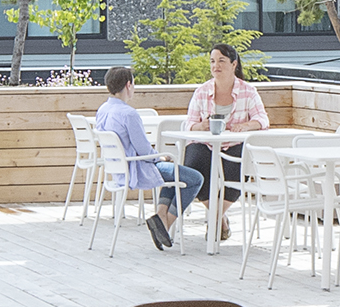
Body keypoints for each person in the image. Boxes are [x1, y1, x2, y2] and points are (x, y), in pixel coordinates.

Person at [97, 66, 202, 249]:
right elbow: (144, 150)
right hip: (136, 169)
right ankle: (166, 222)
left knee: (174, 174)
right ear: (129, 85)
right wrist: (160, 158)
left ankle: (160, 218)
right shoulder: (129, 113)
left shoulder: (103, 110)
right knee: (194, 178)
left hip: (117, 169)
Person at [179, 41, 271, 237]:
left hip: (235, 145)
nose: (216, 66)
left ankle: (215, 217)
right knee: (192, 166)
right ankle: (219, 219)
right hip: (207, 145)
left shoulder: (248, 91)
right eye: (212, 61)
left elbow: (262, 119)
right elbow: (189, 124)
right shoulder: (202, 91)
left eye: (221, 60)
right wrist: (200, 126)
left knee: (239, 165)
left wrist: (247, 125)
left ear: (233, 64)